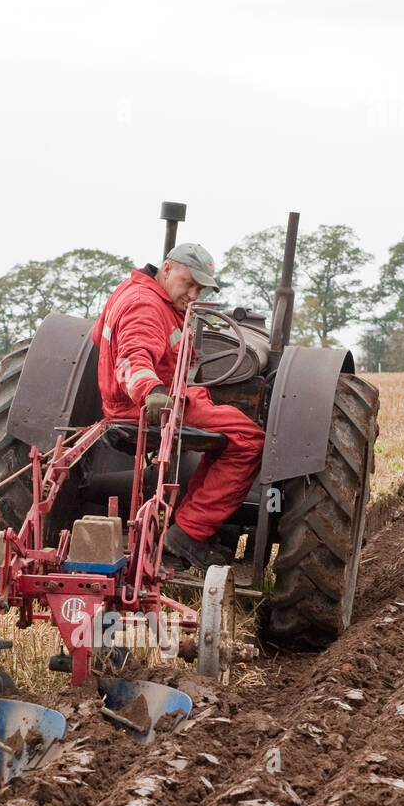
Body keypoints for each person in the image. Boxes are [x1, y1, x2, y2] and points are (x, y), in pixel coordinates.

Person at [92, 243, 265, 570]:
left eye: (201, 288)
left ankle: (189, 522)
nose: (194, 293)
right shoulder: (145, 304)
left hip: (155, 398)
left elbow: (97, 339)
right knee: (249, 440)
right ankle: (190, 532)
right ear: (167, 269)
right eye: (189, 283)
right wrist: (153, 391)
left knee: (225, 428)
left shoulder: (135, 292)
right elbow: (132, 356)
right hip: (150, 404)